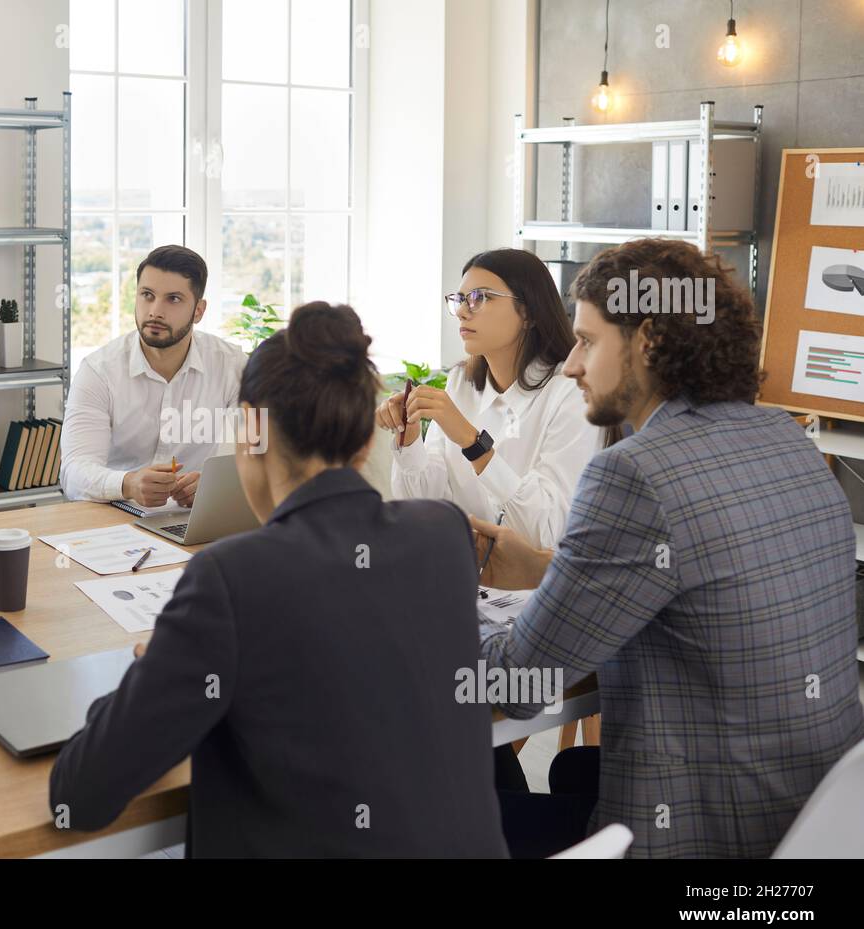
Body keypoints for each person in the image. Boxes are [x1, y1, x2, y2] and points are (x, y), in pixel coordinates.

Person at [50, 302, 508, 858]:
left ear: (249, 433)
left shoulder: (230, 576)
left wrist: (152, 672)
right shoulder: (443, 534)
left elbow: (80, 795)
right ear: (367, 441)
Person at [471, 238, 864, 858]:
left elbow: (520, 681)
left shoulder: (636, 472)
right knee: (563, 772)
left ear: (646, 340)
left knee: (453, 802)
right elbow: (701, 581)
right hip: (812, 823)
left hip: (698, 836)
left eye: (588, 341)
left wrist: (424, 613)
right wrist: (547, 569)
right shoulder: (784, 437)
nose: (572, 364)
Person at [376, 248, 607, 549]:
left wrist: (473, 443)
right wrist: (409, 437)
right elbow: (423, 505)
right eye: (460, 300)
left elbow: (548, 532)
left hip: (537, 588)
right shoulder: (462, 383)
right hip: (470, 577)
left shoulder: (572, 394)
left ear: (528, 313)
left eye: (480, 297)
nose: (461, 311)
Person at [59, 245, 246, 509]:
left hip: (197, 518)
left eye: (174, 299)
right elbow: (74, 472)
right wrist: (129, 484)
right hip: (116, 516)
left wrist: (213, 486)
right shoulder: (98, 371)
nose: (155, 311)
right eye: (147, 295)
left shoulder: (236, 367)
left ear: (199, 311)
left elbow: (259, 459)